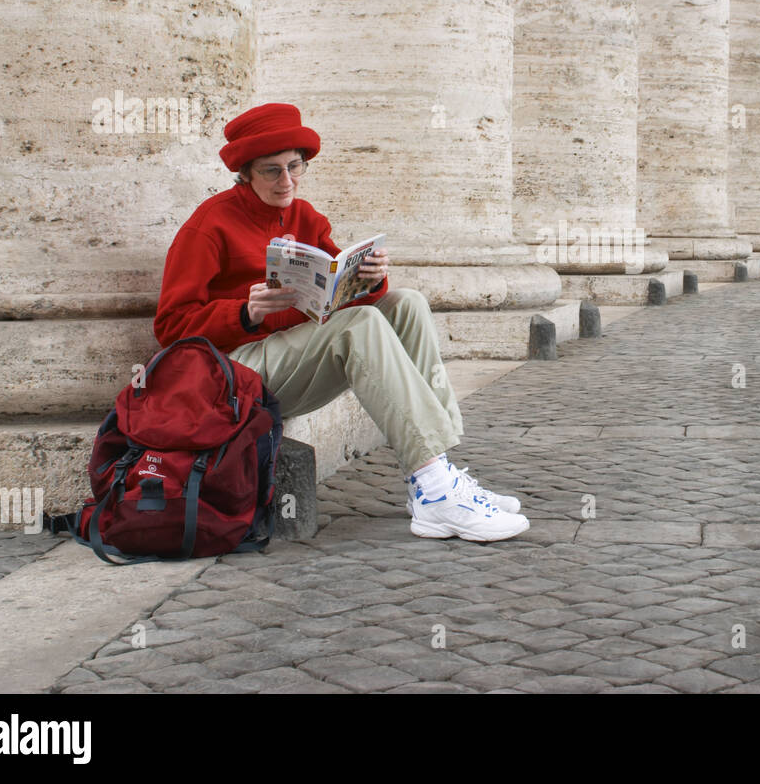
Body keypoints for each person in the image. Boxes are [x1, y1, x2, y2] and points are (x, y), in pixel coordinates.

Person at [153, 103, 529, 542]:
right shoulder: (209, 224)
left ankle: (433, 477)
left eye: (295, 167)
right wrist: (245, 311)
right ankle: (438, 490)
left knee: (407, 302)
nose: (287, 181)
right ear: (245, 174)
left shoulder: (306, 217)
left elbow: (338, 294)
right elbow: (171, 328)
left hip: (295, 350)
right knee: (361, 326)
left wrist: (369, 276)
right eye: (272, 171)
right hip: (234, 370)